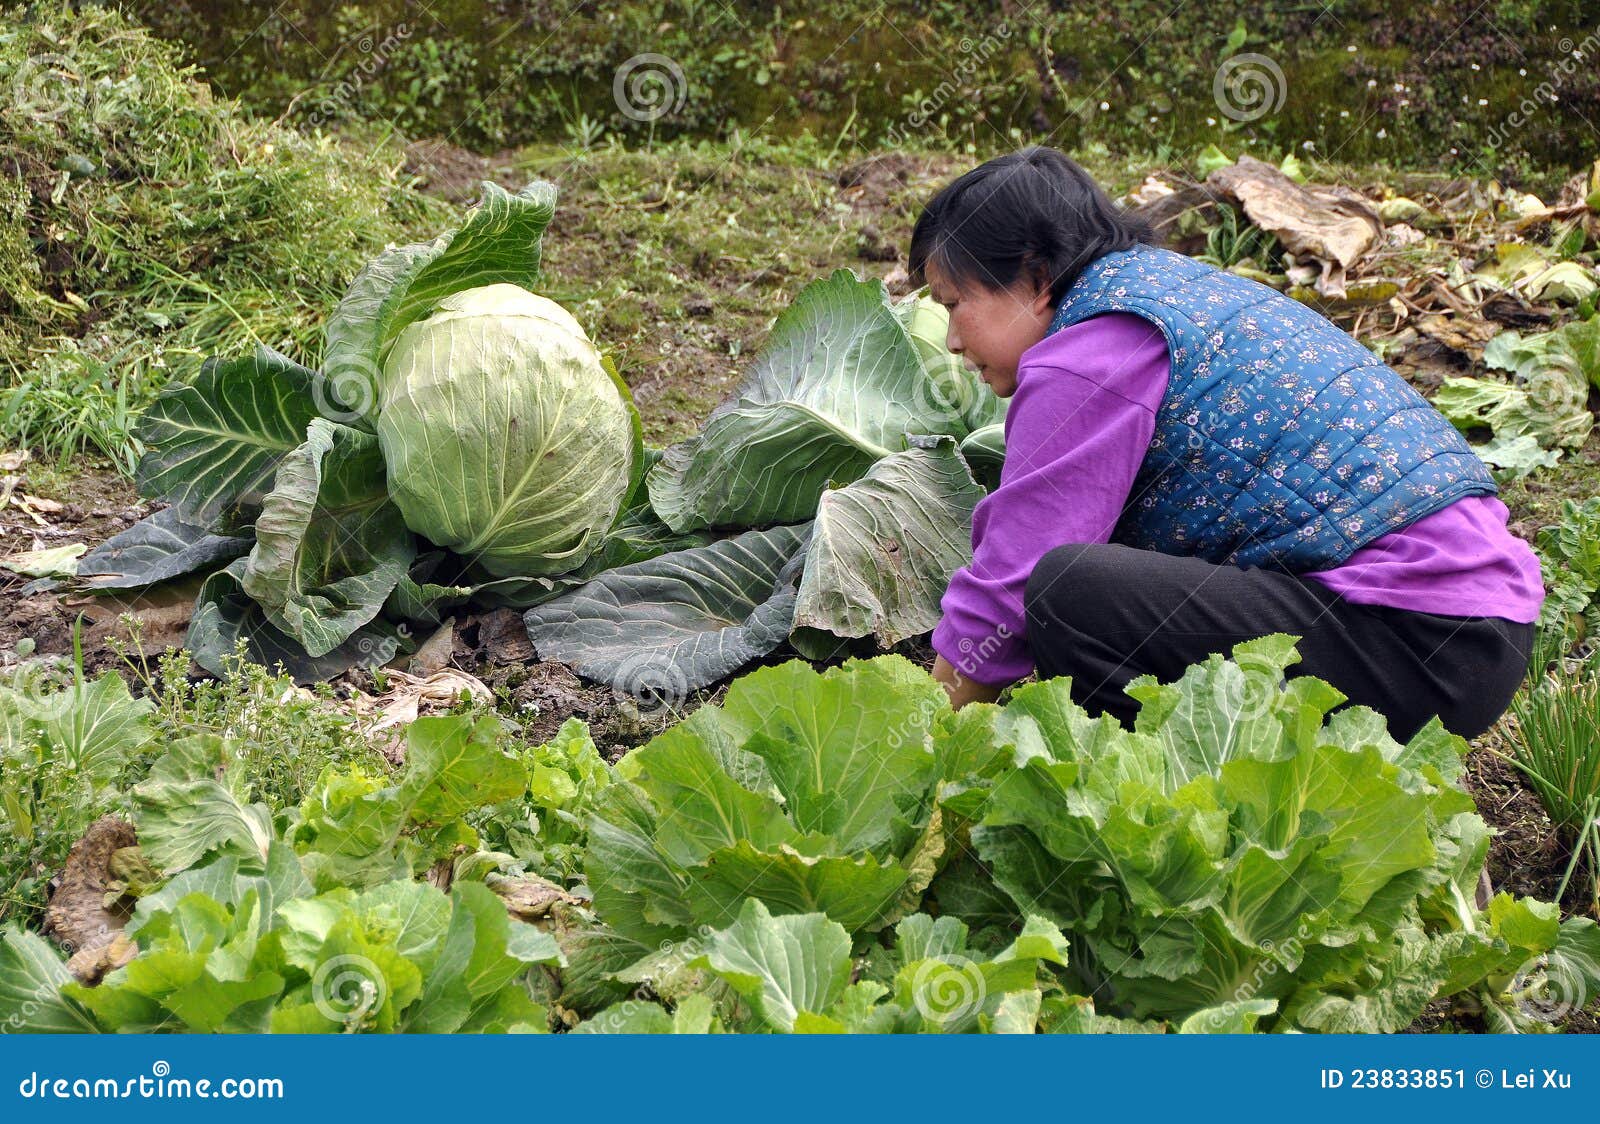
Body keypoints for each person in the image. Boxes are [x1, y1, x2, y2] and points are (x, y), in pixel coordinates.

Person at [911, 146, 1543, 740]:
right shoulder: (1171, 290)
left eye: (956, 303)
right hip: (1481, 632)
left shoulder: (1086, 356)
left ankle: (1188, 803)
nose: (952, 342)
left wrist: (924, 746)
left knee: (1065, 595)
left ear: (1037, 276)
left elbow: (1011, 584)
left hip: (1413, 640)